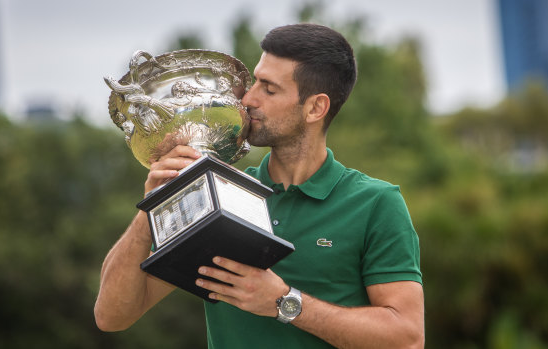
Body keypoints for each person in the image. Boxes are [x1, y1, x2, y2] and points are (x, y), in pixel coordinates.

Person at [95, 23, 424, 348]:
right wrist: (152, 208)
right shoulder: (216, 190)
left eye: (269, 88)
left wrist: (283, 303)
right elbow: (111, 317)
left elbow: (407, 339)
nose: (248, 98)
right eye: (254, 82)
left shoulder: (376, 203)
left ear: (315, 108)